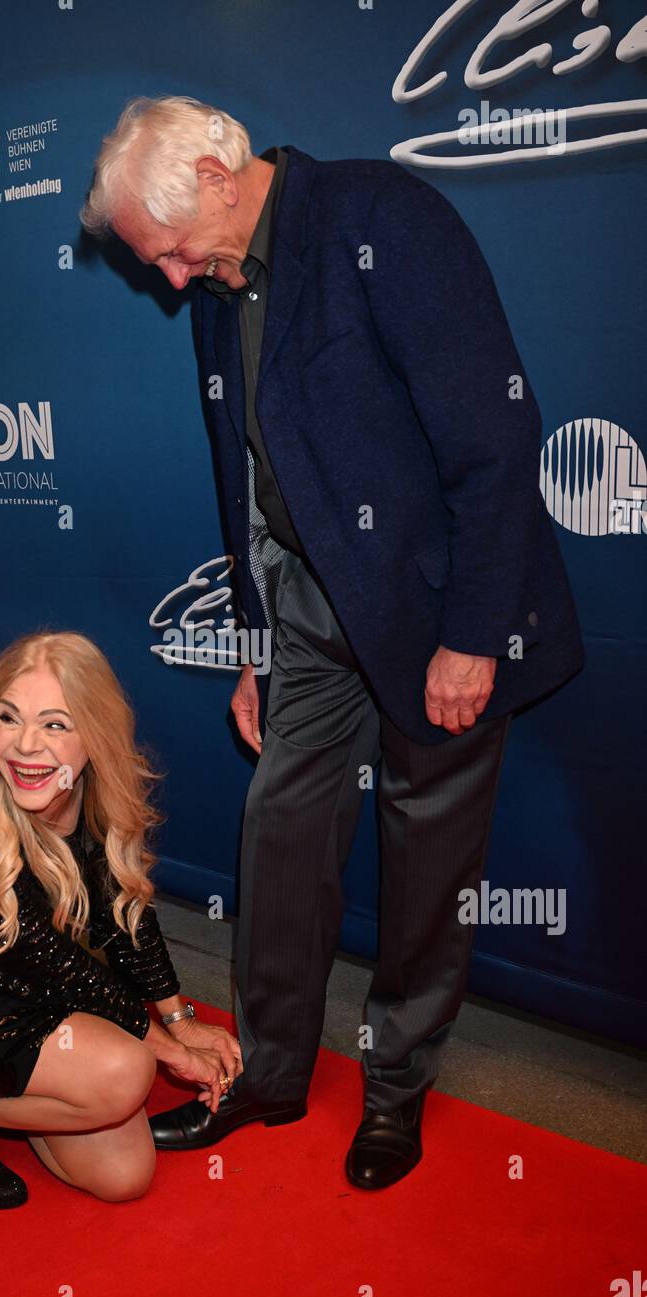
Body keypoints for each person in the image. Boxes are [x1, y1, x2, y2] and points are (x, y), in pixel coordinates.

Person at [78, 97, 585, 1189]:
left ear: (217, 176)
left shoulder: (379, 217)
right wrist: (255, 640)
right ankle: (268, 1072)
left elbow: (495, 436)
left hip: (437, 608)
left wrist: (472, 636)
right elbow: (246, 481)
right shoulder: (219, 286)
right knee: (281, 836)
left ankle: (394, 1091)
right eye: (155, 261)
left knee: (426, 863)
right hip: (308, 609)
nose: (172, 280)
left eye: (171, 251)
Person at [0, 630, 242, 1208]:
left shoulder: (93, 797)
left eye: (55, 724)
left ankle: (28, 1087)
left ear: (95, 735)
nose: (25, 745)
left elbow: (126, 919)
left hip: (26, 984)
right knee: (126, 1072)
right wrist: (174, 1052)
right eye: (8, 718)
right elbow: (59, 968)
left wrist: (180, 1020)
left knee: (123, 1177)